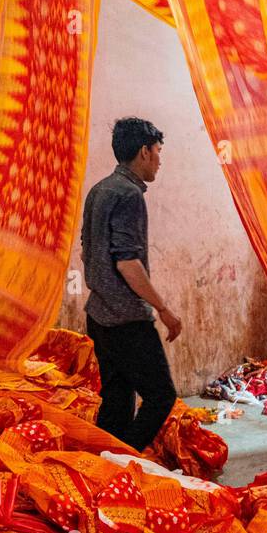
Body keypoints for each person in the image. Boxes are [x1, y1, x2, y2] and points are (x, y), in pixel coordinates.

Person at [80, 117, 183, 451]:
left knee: (117, 400)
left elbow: (86, 249)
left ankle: (105, 463)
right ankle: (125, 458)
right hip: (126, 321)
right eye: (158, 151)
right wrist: (163, 309)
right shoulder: (128, 195)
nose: (159, 160)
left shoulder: (99, 190)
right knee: (161, 396)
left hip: (99, 316)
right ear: (144, 152)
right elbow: (127, 263)